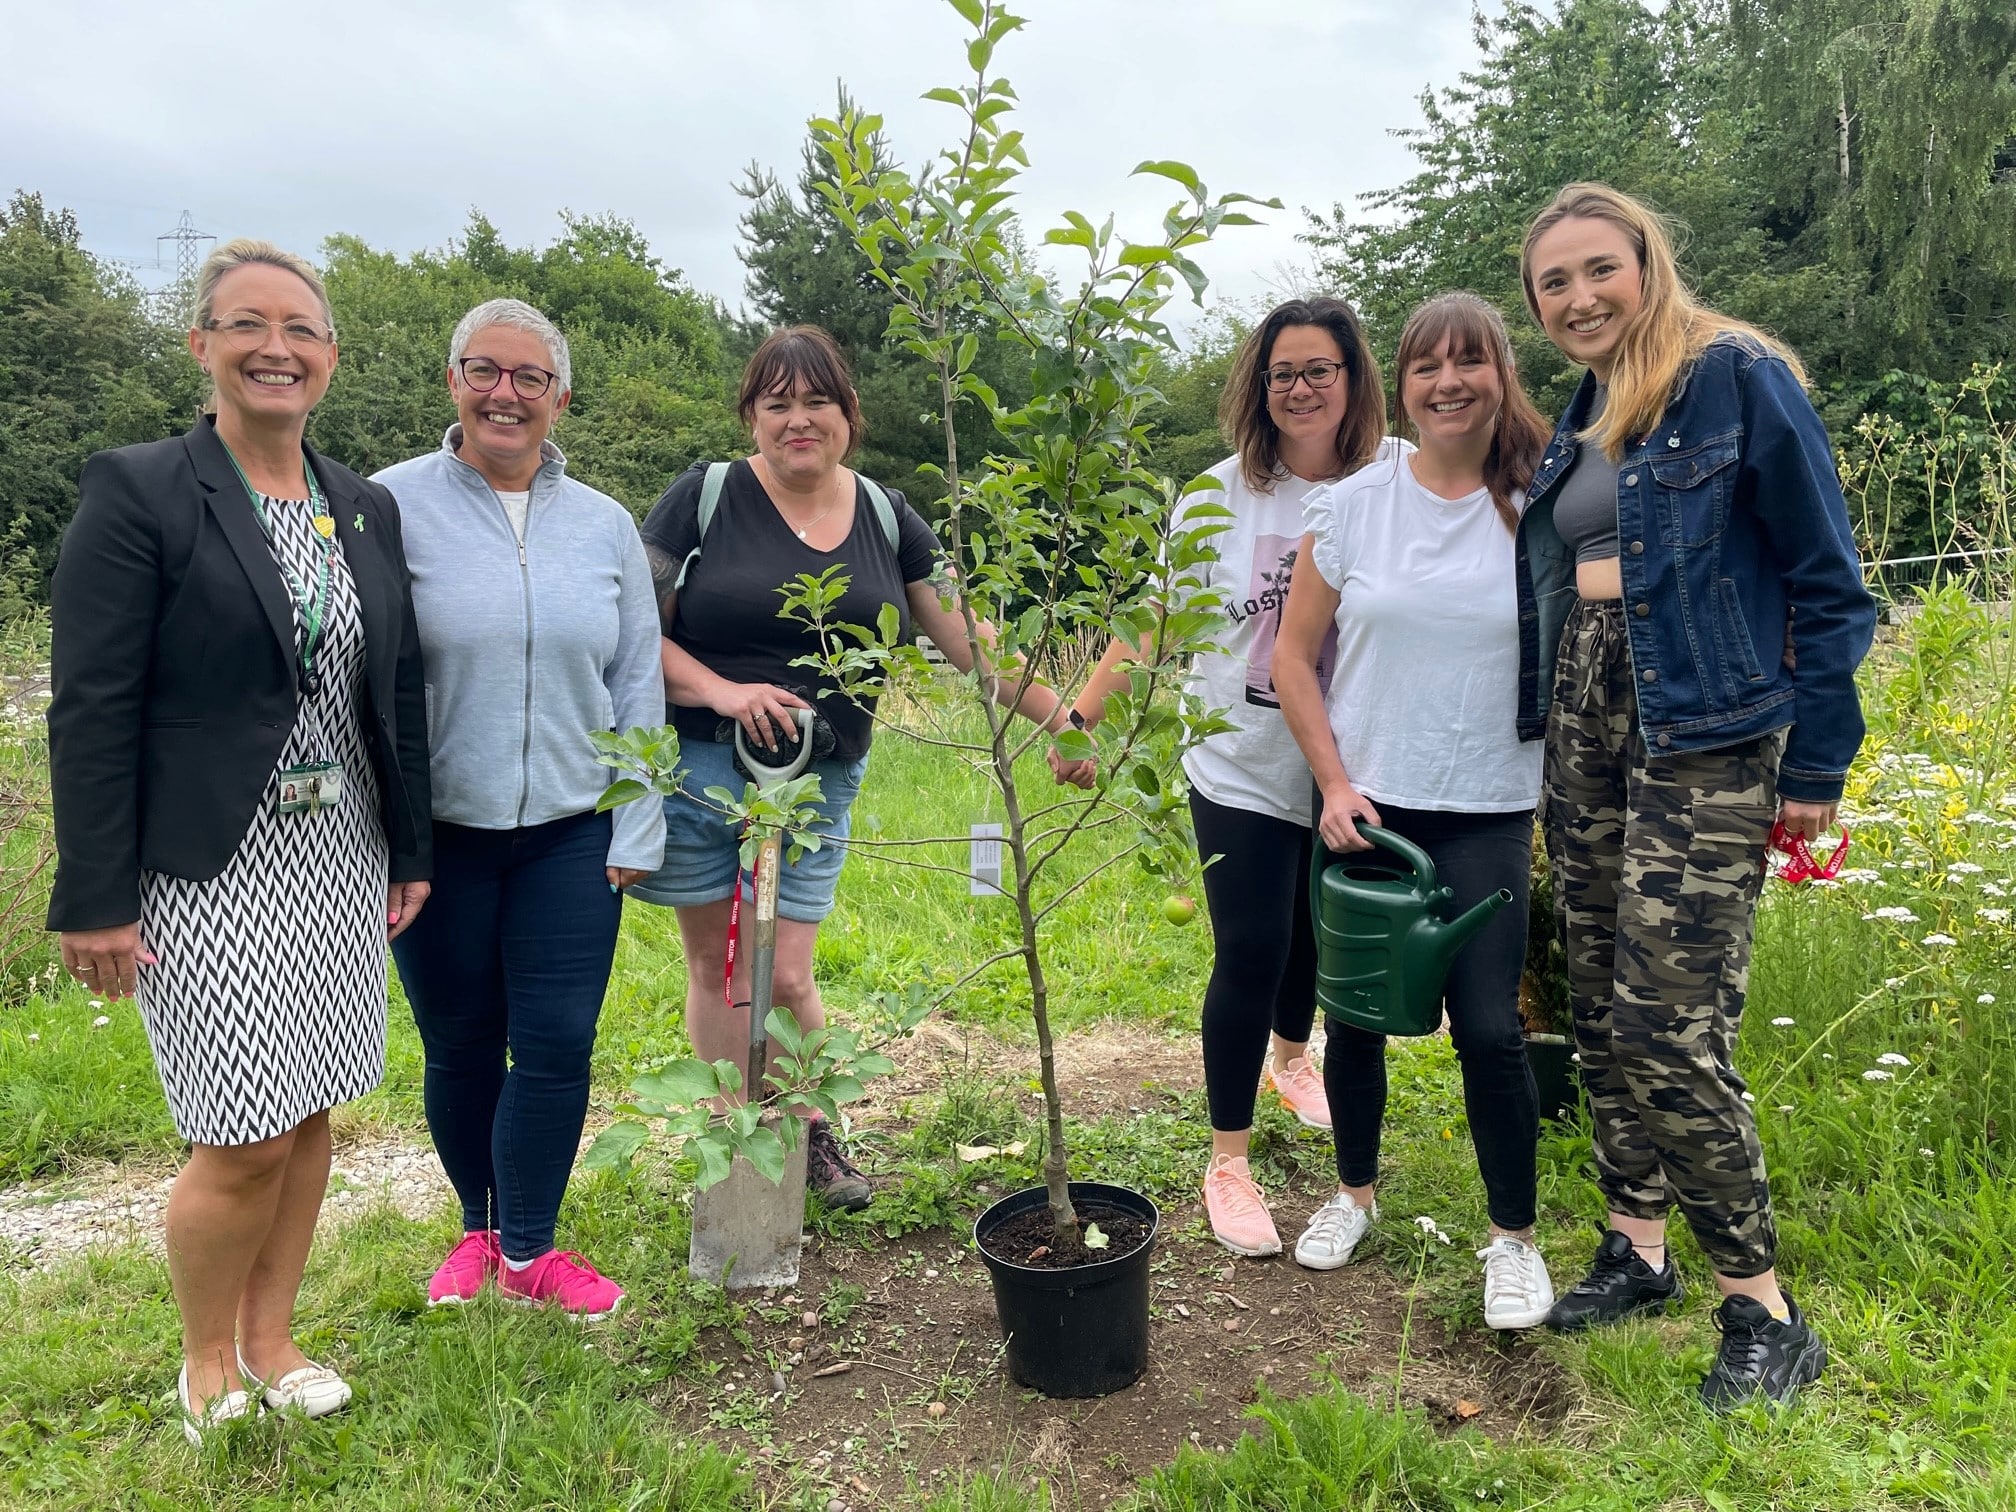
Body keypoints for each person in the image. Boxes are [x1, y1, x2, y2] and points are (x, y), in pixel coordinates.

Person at [45, 240, 432, 1440]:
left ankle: (273, 1338)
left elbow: (394, 689)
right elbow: (92, 703)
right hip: (206, 862)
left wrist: (409, 849)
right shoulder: (142, 489)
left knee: (313, 1109)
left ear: (330, 357)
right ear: (203, 345)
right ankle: (205, 1360)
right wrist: (95, 893)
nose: (278, 347)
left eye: (302, 329)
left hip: (337, 853)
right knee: (244, 1128)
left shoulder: (359, 502)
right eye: (249, 325)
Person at [1516, 183, 1875, 1407]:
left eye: (1596, 270)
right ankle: (1638, 1243)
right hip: (1589, 719)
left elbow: (1830, 581)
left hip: (1708, 732)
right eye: (1552, 284)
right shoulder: (1583, 407)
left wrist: (1820, 760)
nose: (1577, 298)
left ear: (1646, 261)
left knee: (1670, 1024)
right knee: (1600, 998)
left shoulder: (1735, 376)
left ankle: (1762, 1309)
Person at [632, 325, 1074, 1208]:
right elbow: (633, 634)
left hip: (820, 775)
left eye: (817, 401)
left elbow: (965, 639)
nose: (799, 420)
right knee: (723, 970)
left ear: (848, 413)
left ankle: (807, 1130)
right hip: (704, 766)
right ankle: (740, 1148)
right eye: (777, 403)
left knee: (786, 971)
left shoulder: (884, 513)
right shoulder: (703, 498)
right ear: (752, 416)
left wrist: (1061, 720)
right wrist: (723, 692)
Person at [1056, 298, 1404, 1258]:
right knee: (1252, 948)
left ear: (1353, 379)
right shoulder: (1218, 494)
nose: (1299, 389)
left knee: (1319, 942)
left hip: (1358, 762)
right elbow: (1153, 622)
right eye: (1281, 372)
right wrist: (1085, 716)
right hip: (1242, 762)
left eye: (1319, 370)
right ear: (1260, 387)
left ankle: (1295, 1060)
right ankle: (1228, 1160)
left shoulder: (1398, 477)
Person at [373, 299, 664, 1320]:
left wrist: (641, 816)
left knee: (554, 1040)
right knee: (459, 1040)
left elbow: (637, 677)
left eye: (529, 377)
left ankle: (532, 1249)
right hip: (434, 839)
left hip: (574, 832)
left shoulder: (605, 524)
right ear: (452, 380)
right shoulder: (386, 506)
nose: (506, 392)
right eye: (483, 370)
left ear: (560, 398)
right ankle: (477, 1228)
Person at [1272, 293, 1556, 1327]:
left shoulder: (1539, 499)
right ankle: (1353, 1196)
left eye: (1469, 361)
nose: (1449, 382)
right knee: (1354, 1023)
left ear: (1499, 374)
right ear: (1405, 379)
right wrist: (1336, 783)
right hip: (1369, 809)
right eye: (1428, 364)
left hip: (1487, 803)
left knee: (1489, 1031)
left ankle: (1514, 1243)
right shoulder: (1353, 504)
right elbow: (1294, 660)